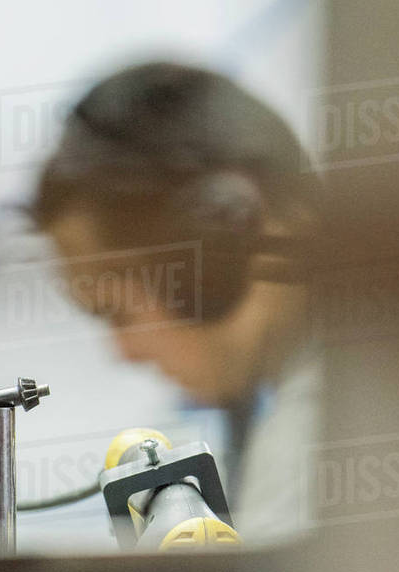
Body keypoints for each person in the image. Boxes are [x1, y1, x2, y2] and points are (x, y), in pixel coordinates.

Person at [30, 60, 322, 542]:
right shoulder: (277, 405)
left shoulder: (332, 441)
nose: (123, 352)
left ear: (219, 247)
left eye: (116, 309)